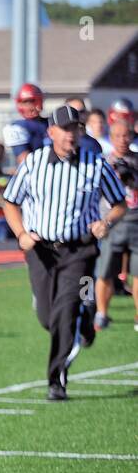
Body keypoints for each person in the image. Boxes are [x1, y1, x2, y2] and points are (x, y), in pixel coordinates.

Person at [1, 105, 128, 399]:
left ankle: (56, 380)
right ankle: (85, 319)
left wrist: (105, 222)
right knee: (47, 317)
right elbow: (10, 202)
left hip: (79, 251)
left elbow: (120, 203)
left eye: (76, 129)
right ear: (52, 132)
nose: (72, 135)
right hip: (41, 251)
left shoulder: (94, 164)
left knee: (64, 314)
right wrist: (21, 234)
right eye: (66, 129)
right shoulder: (33, 164)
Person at [93, 106, 138, 331]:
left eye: (126, 135)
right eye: (118, 136)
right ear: (111, 138)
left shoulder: (136, 160)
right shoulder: (103, 162)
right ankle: (101, 313)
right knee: (105, 270)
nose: (122, 139)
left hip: (136, 221)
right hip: (111, 221)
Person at [3, 83, 49, 167]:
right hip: (36, 172)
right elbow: (25, 161)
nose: (31, 106)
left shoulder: (51, 122)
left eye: (32, 101)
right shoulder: (16, 128)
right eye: (26, 102)